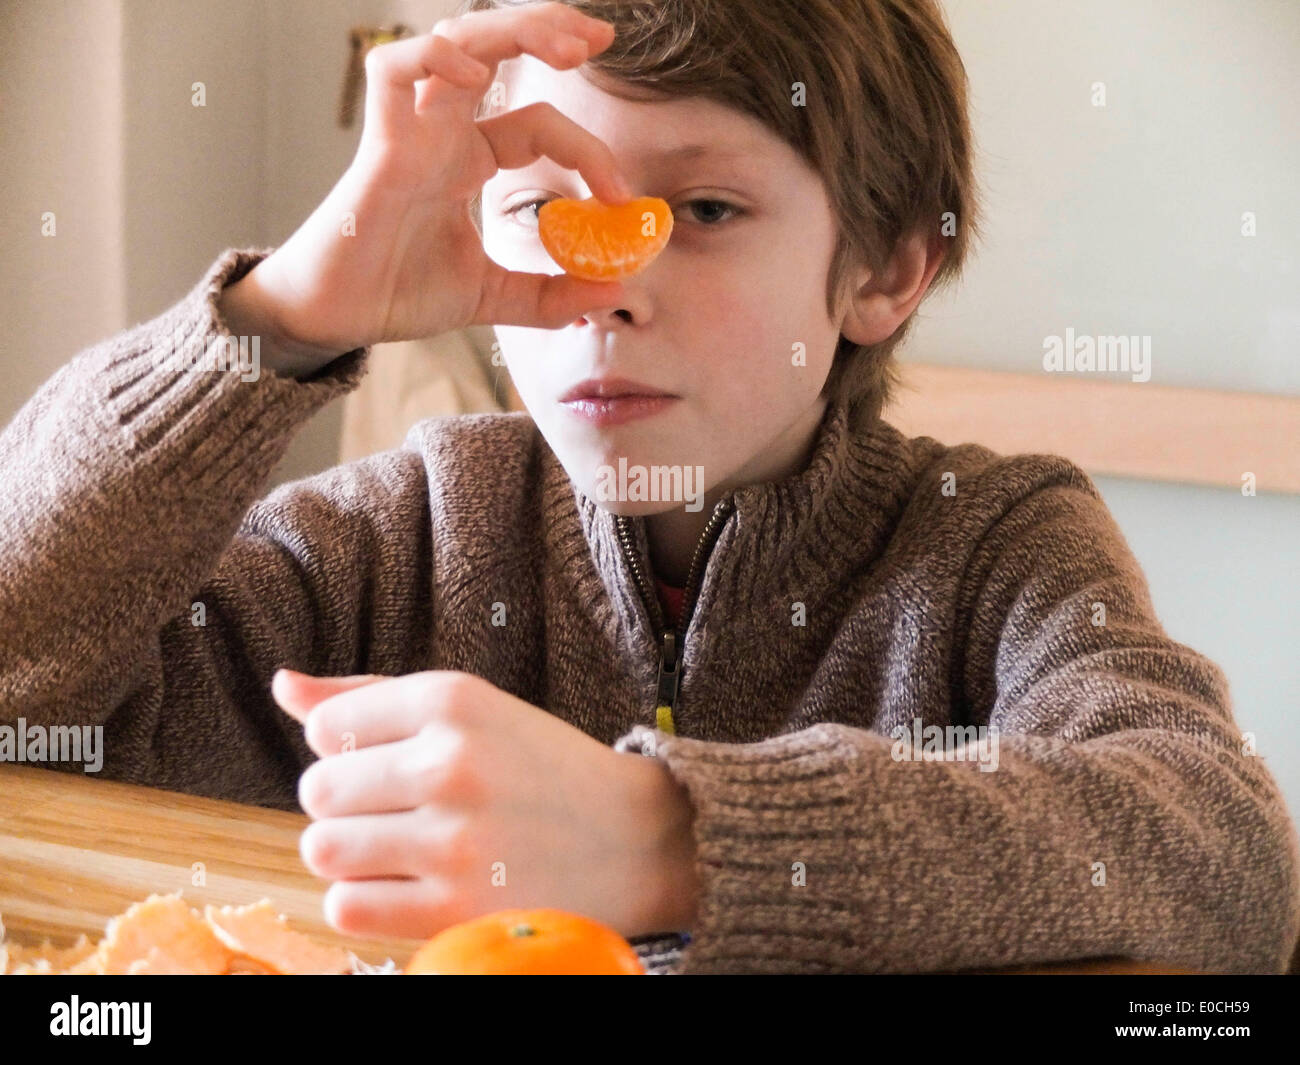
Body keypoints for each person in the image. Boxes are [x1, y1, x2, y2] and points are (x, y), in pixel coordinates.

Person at [1, 0, 1296, 974]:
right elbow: (21, 682)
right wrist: (281, 315)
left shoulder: (996, 544)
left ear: (887, 270)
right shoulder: (397, 532)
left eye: (709, 209)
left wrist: (666, 837)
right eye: (549, 209)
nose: (609, 285)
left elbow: (1225, 851)